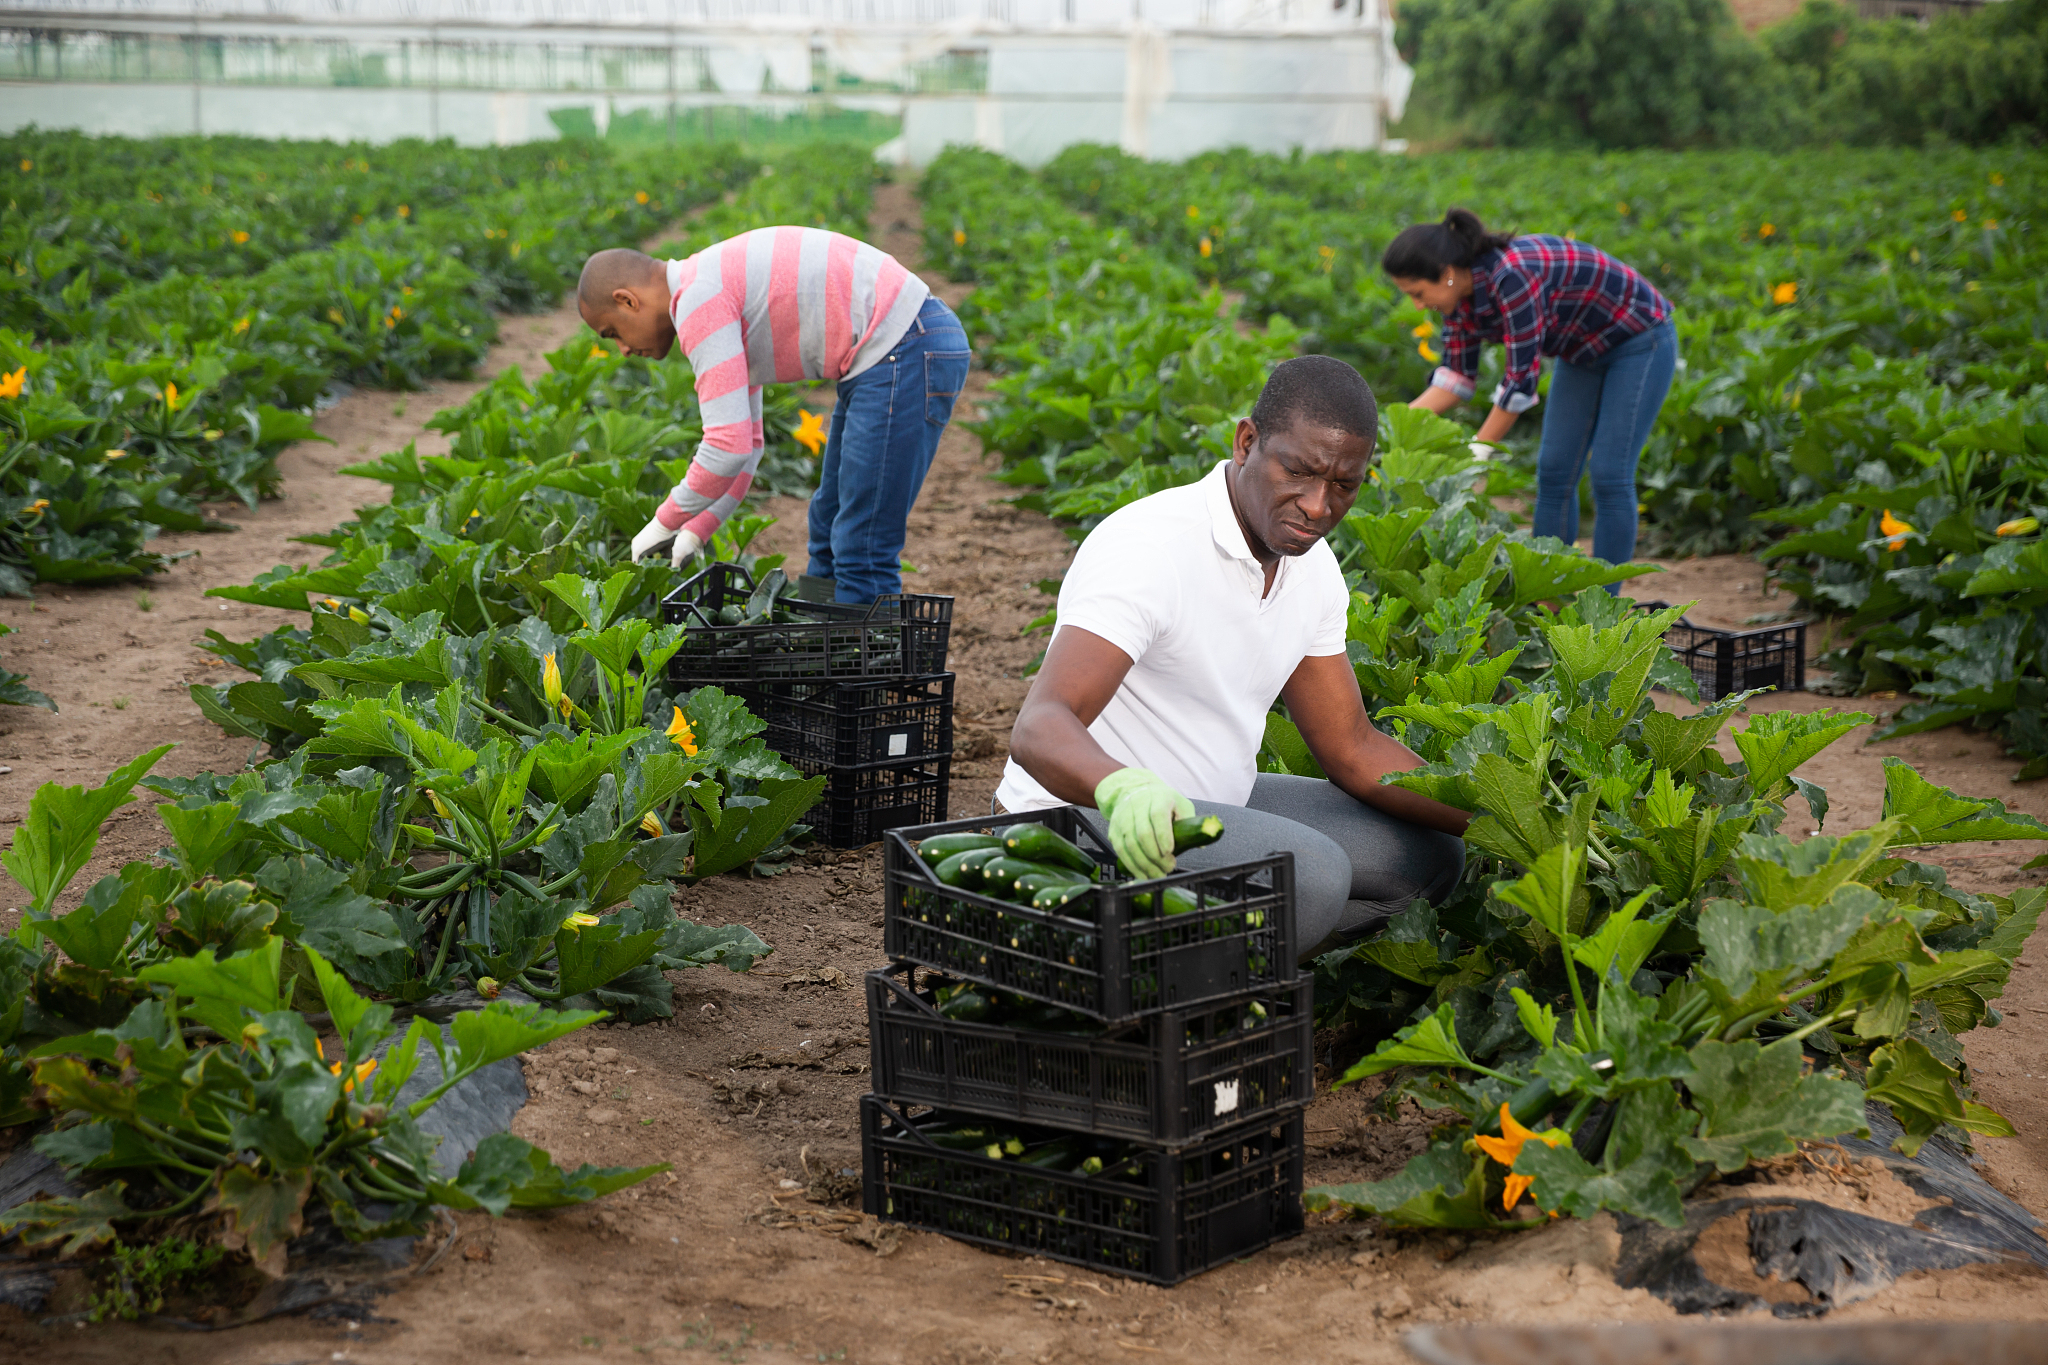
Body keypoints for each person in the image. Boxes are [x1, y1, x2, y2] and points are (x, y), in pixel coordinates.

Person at [998, 354, 1468, 962]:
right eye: (1298, 472)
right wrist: (1120, 788)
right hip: (1082, 822)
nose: (1319, 506)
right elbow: (1040, 725)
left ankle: (1206, 962)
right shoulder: (1151, 547)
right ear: (1247, 441)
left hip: (1217, 809)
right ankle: (1142, 976)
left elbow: (1352, 747)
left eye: (1345, 485)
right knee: (1313, 878)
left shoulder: (1312, 568)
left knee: (1428, 857)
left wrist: (1499, 815)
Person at [576, 230, 971, 605]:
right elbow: (746, 448)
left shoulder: (700, 301)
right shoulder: (706, 289)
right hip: (891, 353)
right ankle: (826, 650)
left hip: (906, 346)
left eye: (613, 332)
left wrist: (663, 522)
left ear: (628, 300)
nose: (624, 349)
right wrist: (696, 530)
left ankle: (861, 663)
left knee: (861, 543)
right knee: (828, 523)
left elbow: (726, 449)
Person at [1383, 208, 1676, 569]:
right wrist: (1384, 430)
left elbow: (1518, 384)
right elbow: (1455, 379)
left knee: (1609, 474)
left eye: (1417, 292)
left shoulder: (1513, 275)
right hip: (1580, 350)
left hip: (1639, 339)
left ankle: (1606, 606)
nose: (1417, 304)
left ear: (1445, 274)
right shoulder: (1456, 299)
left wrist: (1477, 453)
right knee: (1553, 471)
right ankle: (1546, 600)